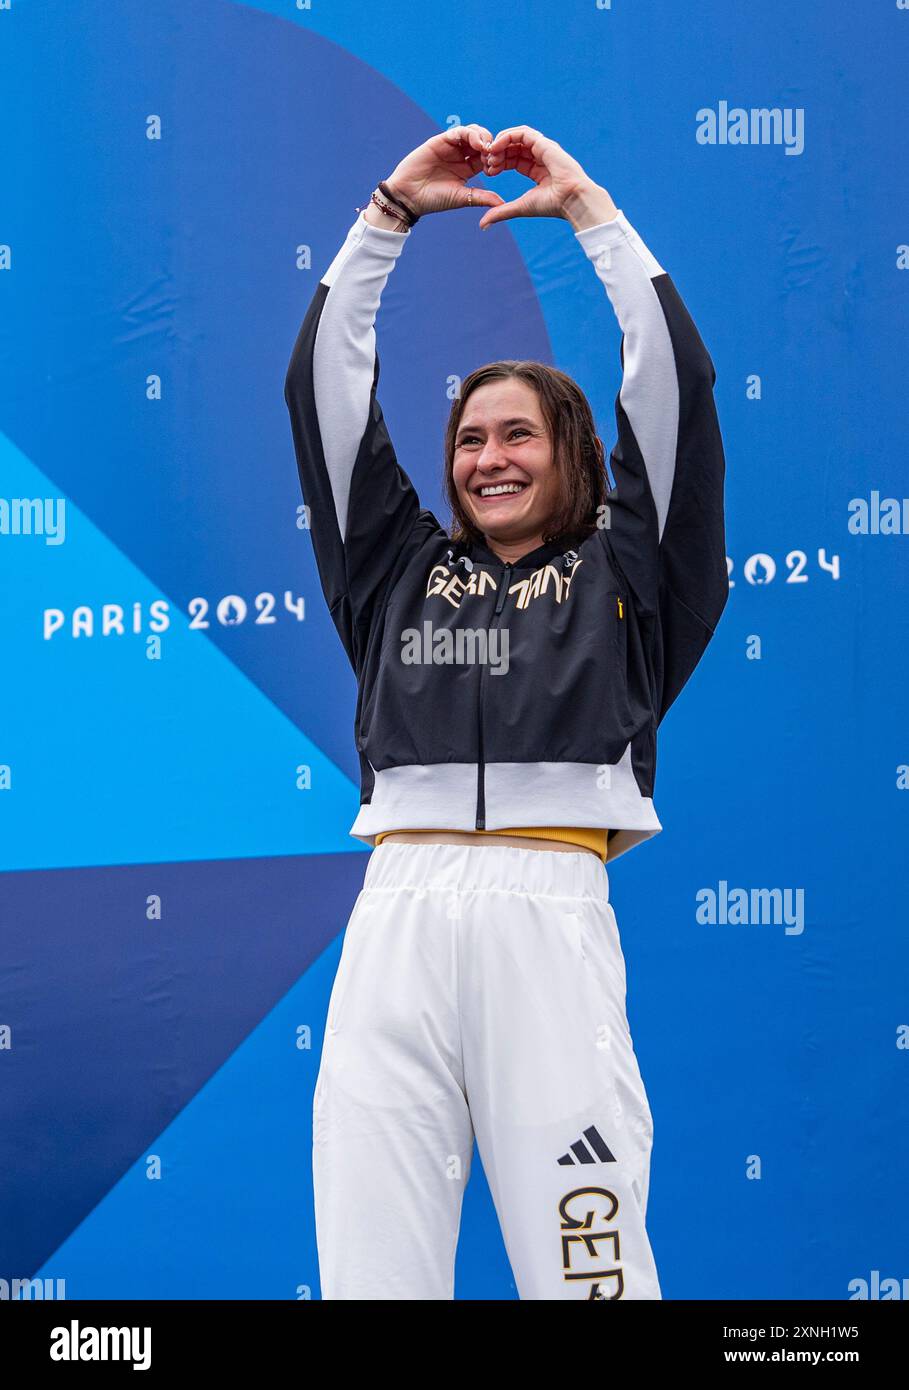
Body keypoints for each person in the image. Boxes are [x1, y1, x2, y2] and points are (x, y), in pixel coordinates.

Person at [283, 123, 728, 1300]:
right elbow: (323, 391)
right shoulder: (392, 574)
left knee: (593, 1277)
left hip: (550, 915)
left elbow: (672, 389)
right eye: (469, 438)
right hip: (396, 920)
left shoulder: (633, 578)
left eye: (517, 433)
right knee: (373, 1276)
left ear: (573, 452)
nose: (488, 458)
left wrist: (591, 214)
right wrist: (387, 217)